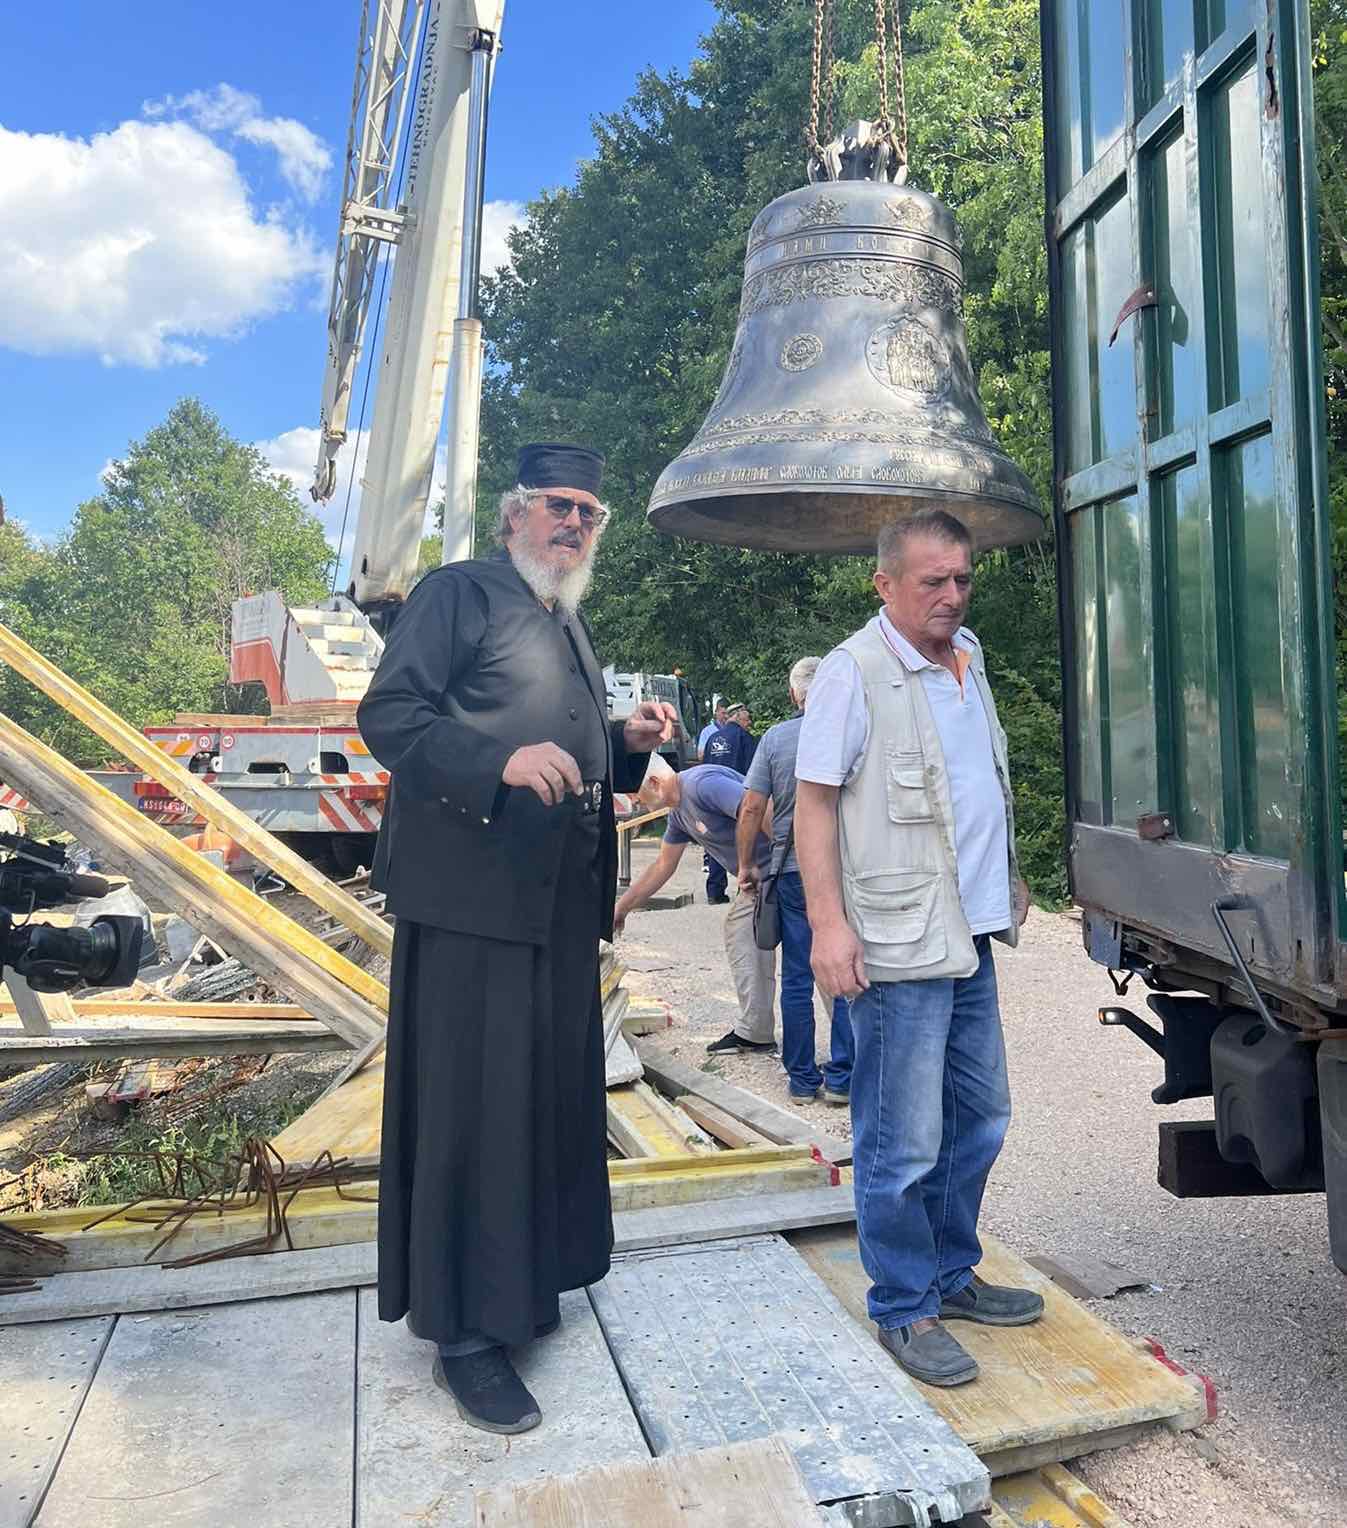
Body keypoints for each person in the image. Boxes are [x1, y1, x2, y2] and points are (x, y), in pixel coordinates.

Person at [358, 441, 676, 1436]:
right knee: (471, 1111)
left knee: (536, 1102)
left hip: (552, 911)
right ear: (515, 514)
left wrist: (625, 747)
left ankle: (523, 1287)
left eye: (589, 512)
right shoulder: (458, 593)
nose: (575, 523)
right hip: (470, 905)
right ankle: (464, 1333)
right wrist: (494, 762)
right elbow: (389, 715)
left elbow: (565, 747)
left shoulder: (564, 618)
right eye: (558, 506)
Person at [795, 509, 1038, 1390]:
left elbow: (973, 788)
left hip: (967, 931)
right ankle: (903, 1305)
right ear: (885, 583)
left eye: (961, 578)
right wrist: (827, 926)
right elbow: (813, 804)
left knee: (979, 1117)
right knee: (901, 1138)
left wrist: (1008, 875)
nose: (950, 594)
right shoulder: (853, 672)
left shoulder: (967, 658)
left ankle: (947, 1271)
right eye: (932, 580)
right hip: (895, 945)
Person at [736, 657, 853, 1106]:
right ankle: (843, 1077)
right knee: (846, 970)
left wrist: (746, 864)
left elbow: (751, 806)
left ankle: (803, 1080)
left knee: (799, 978)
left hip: (790, 870)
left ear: (793, 695)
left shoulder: (776, 739)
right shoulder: (849, 733)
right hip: (843, 871)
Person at [613, 754, 777, 1055]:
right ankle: (755, 1032)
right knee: (741, 934)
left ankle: (853, 1044)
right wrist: (621, 908)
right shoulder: (678, 814)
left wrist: (784, 863)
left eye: (636, 793)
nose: (634, 802)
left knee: (811, 953)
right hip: (755, 882)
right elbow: (663, 865)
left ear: (654, 782)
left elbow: (757, 807)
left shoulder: (702, 784)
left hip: (780, 872)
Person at [697, 701, 731, 905]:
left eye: (727, 713)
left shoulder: (718, 736)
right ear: (716, 712)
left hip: (715, 789)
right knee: (717, 838)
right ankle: (716, 889)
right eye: (722, 712)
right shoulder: (708, 732)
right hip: (717, 789)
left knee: (718, 837)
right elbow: (700, 755)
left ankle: (716, 890)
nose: (724, 716)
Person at [703, 702, 757, 774]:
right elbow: (752, 770)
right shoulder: (745, 737)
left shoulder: (712, 738)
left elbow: (705, 768)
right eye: (747, 719)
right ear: (737, 716)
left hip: (712, 780)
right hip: (736, 780)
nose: (750, 722)